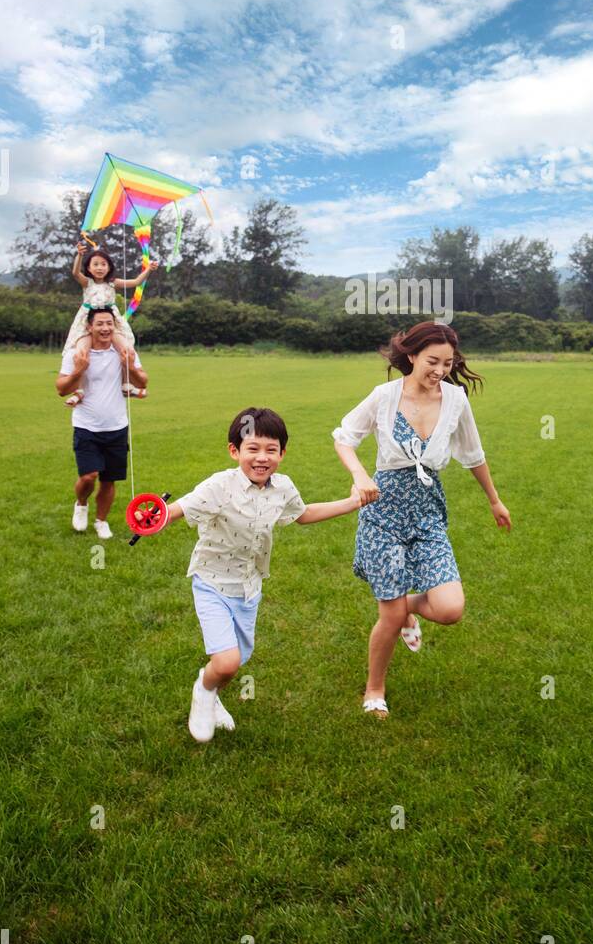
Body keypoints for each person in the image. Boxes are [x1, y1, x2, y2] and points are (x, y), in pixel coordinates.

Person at [332, 320, 511, 718]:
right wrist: (360, 475)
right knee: (389, 615)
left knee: (450, 609)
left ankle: (409, 606)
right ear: (411, 355)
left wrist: (495, 502)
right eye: (433, 361)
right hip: (383, 509)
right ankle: (374, 690)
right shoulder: (384, 396)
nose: (440, 370)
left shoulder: (455, 400)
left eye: (448, 363)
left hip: (428, 510)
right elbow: (344, 436)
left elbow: (473, 454)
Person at [154, 406, 362, 743]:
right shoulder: (220, 485)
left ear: (282, 453)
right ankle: (203, 692)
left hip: (249, 589)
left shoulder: (283, 488)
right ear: (235, 451)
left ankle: (213, 694)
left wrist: (351, 503)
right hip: (211, 584)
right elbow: (181, 507)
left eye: (271, 449)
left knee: (235, 662)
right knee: (226, 662)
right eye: (252, 449)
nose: (262, 457)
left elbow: (303, 514)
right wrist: (157, 516)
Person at [56, 305, 147, 538]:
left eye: (109, 323)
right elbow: (61, 389)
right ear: (89, 327)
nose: (105, 328)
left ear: (114, 327)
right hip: (86, 425)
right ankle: (81, 503)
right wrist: (78, 371)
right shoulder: (76, 354)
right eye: (100, 324)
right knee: (89, 475)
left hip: (117, 426)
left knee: (109, 480)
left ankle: (101, 521)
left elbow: (143, 381)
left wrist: (129, 365)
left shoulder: (123, 352)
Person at [61, 239, 157, 402]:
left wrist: (149, 269)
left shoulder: (113, 283)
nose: (99, 268)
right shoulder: (87, 283)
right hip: (87, 322)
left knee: (127, 349)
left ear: (109, 267)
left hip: (110, 321)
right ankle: (79, 390)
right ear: (89, 268)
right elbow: (75, 273)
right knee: (81, 353)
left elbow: (135, 282)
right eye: (95, 264)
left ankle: (127, 385)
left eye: (103, 264)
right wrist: (79, 255)